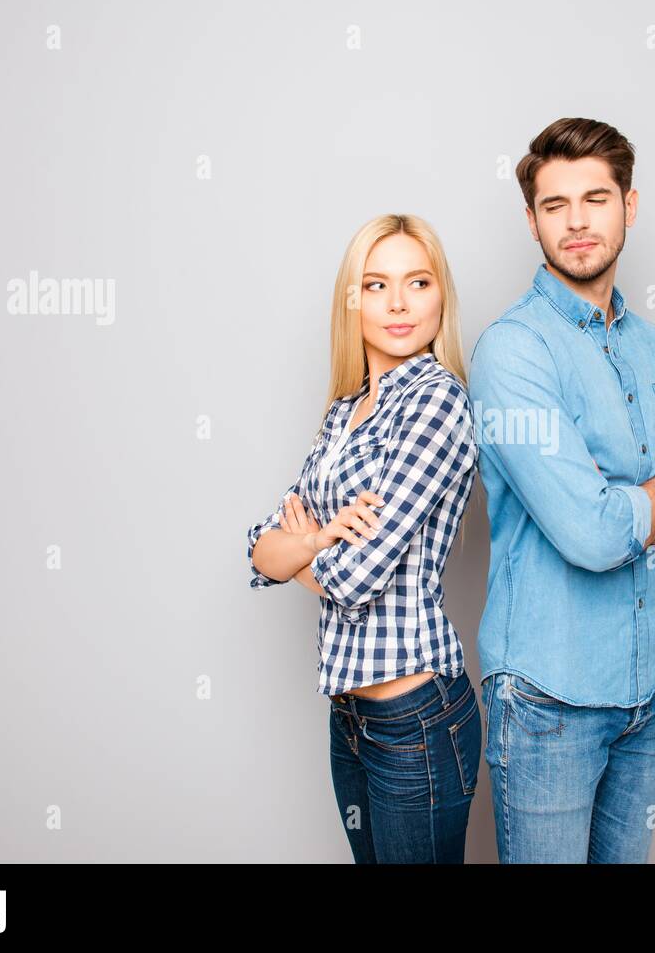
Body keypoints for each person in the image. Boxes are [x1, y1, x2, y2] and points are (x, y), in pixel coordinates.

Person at [469, 117, 655, 863]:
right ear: (531, 221)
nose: (578, 221)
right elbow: (591, 538)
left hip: (649, 690)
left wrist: (638, 503)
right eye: (556, 205)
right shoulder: (512, 352)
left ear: (630, 204)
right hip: (548, 702)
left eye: (596, 197)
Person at [246, 214, 480, 863]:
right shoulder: (344, 413)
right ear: (352, 300)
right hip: (350, 719)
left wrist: (306, 548)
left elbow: (353, 581)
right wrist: (322, 536)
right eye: (376, 284)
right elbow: (261, 548)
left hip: (416, 720)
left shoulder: (439, 403)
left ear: (441, 295)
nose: (399, 302)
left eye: (418, 281)